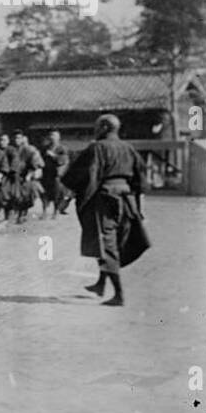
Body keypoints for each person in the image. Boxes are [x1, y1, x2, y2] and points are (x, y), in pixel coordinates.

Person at [61, 114, 149, 306]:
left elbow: (80, 175)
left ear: (104, 128)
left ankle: (119, 295)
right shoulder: (129, 148)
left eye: (96, 127)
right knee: (113, 241)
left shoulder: (97, 148)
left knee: (105, 242)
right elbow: (140, 179)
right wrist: (139, 208)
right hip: (126, 200)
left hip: (105, 199)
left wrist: (68, 198)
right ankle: (101, 284)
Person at [40, 130, 70, 217]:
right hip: (46, 174)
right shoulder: (45, 148)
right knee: (44, 193)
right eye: (51, 135)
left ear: (58, 137)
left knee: (57, 193)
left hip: (57, 174)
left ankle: (55, 210)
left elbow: (63, 160)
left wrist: (53, 155)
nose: (52, 137)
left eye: (55, 136)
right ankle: (44, 210)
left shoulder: (62, 148)